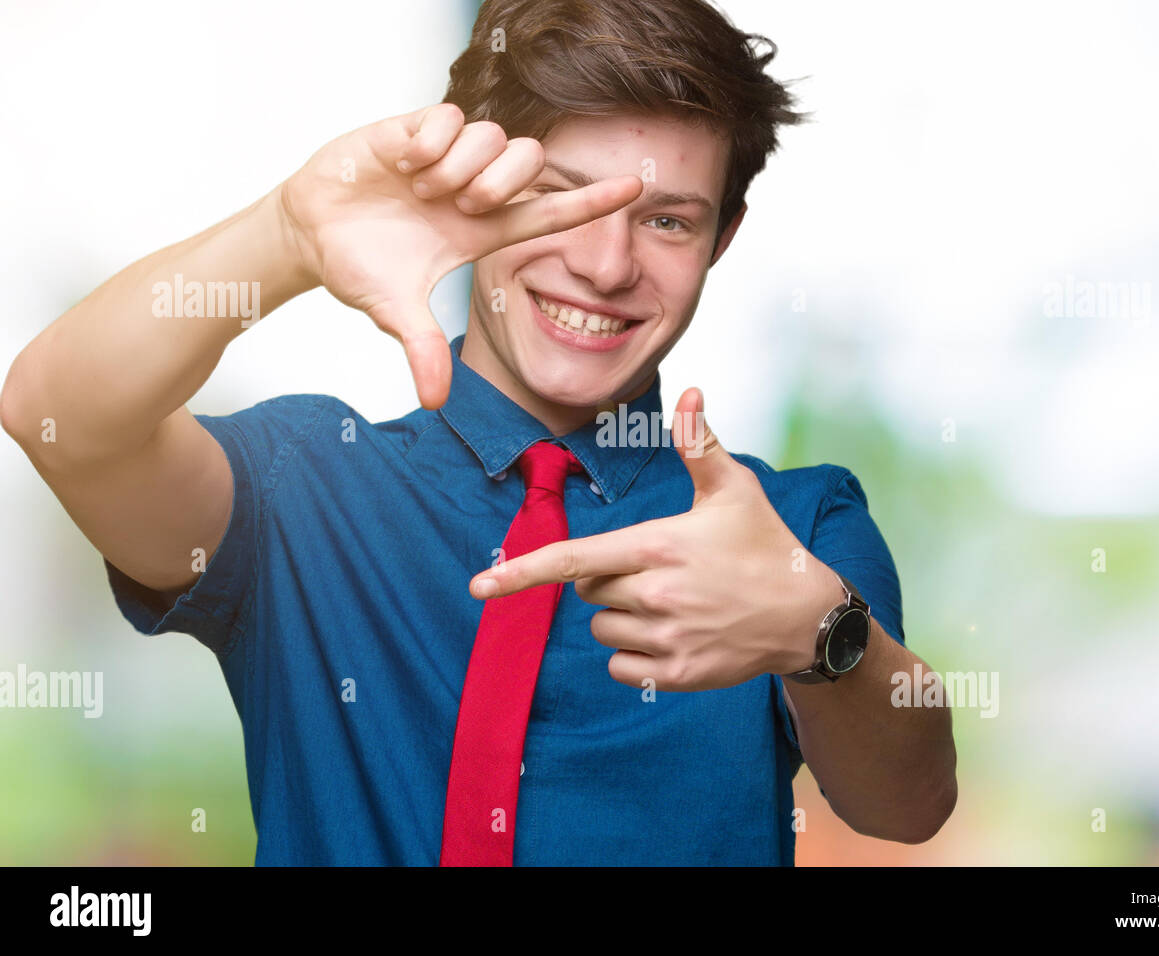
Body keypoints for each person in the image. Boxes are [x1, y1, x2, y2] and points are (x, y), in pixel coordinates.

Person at [1, 0, 956, 865]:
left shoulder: (786, 528)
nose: (605, 263)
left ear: (723, 238)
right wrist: (285, 236)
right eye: (564, 197)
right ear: (475, 182)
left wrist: (821, 633)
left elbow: (908, 805)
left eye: (667, 221)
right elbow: (61, 418)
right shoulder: (302, 492)